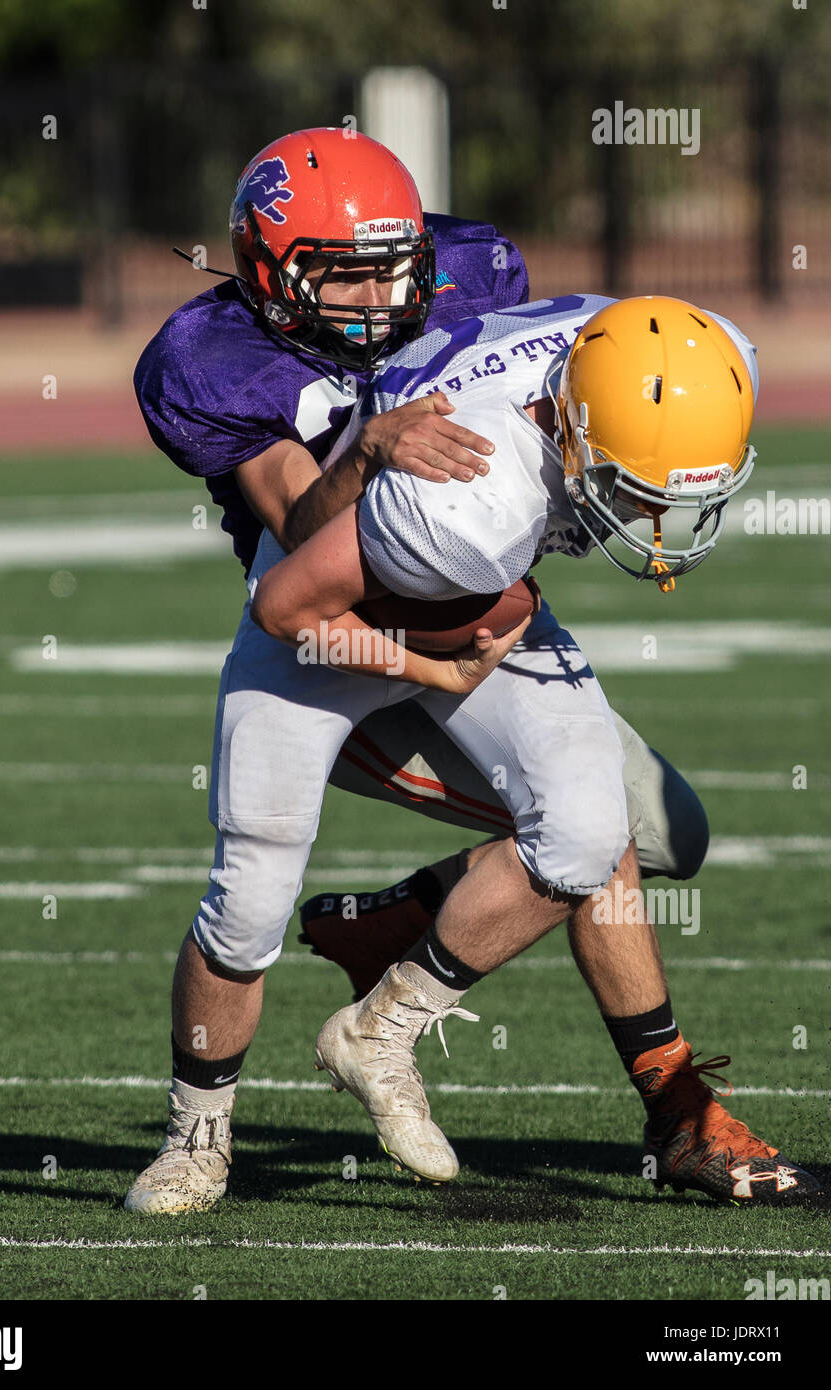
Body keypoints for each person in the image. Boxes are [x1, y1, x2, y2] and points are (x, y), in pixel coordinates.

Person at [126, 128, 709, 1215]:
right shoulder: (207, 357)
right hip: (318, 610)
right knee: (248, 892)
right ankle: (197, 1135)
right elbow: (296, 551)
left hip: (463, 585)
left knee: (599, 832)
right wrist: (372, 453)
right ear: (266, 269)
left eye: (392, 264)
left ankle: (383, 1023)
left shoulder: (471, 264)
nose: (379, 291)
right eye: (342, 272)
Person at [251, 292, 819, 1205]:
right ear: (574, 428)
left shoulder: (702, 353)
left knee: (645, 834)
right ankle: (654, 1105)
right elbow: (284, 609)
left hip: (473, 578)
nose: (654, 515)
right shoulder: (471, 502)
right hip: (350, 637)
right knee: (590, 831)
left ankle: (399, 921)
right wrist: (434, 673)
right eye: (637, 486)